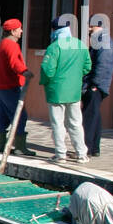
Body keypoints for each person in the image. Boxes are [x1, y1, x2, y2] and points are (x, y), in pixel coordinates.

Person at [40, 16, 92, 163]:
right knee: (75, 123)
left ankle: (60, 154)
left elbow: (47, 70)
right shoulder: (80, 45)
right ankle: (82, 153)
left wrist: (43, 82)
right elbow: (87, 67)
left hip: (56, 91)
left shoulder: (54, 47)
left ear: (55, 30)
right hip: (75, 91)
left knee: (58, 123)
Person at [0, 18, 35, 155]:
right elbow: (14, 62)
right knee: (20, 115)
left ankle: (1, 144)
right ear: (13, 31)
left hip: (1, 85)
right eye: (19, 29)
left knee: (3, 115)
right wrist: (25, 71)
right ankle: (20, 147)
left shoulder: (3, 44)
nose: (21, 31)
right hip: (10, 85)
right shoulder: (11, 45)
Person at [82, 16, 113, 157]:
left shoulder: (103, 41)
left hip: (95, 85)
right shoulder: (101, 40)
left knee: (89, 116)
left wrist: (94, 84)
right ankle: (94, 148)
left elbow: (103, 64)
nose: (89, 29)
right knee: (94, 115)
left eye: (91, 26)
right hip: (96, 83)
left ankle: (87, 148)